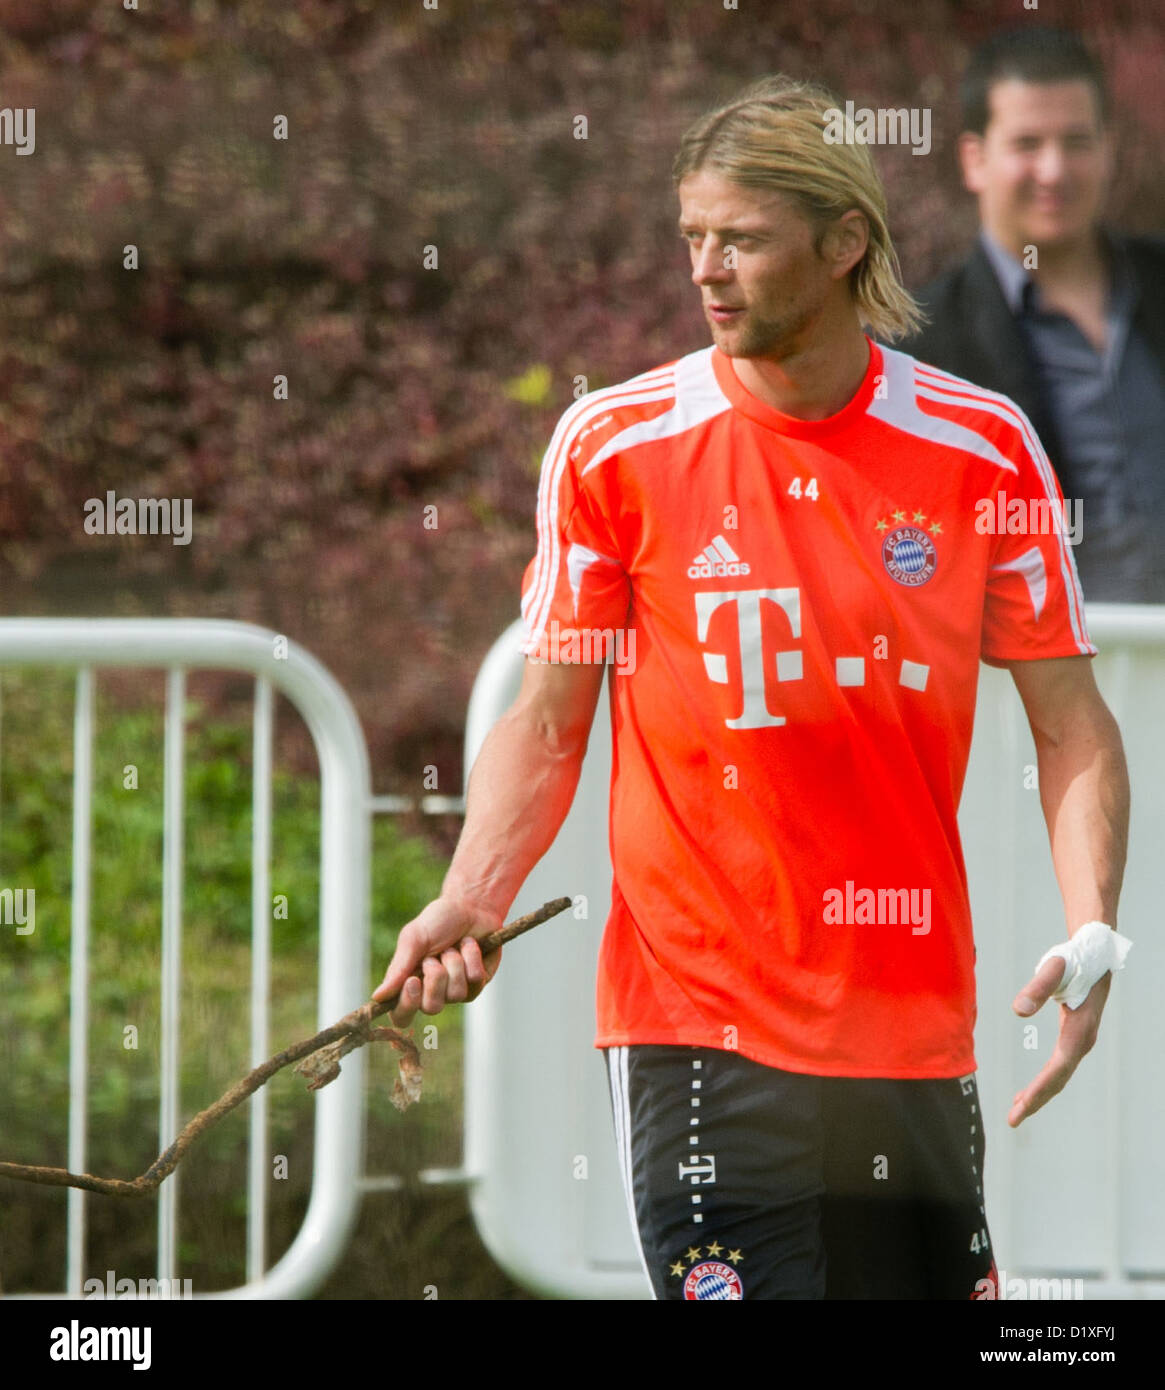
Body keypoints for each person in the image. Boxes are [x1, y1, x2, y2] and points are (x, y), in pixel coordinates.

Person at [374, 74, 1130, 1300]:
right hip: (698, 1023)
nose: (706, 271)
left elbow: (1071, 721)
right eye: (692, 240)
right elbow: (550, 722)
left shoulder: (981, 448)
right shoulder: (612, 445)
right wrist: (471, 891)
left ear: (844, 244)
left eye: (740, 239)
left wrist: (1093, 920)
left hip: (908, 1021)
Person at [900, 26, 1165, 602]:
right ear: (975, 160)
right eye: (1027, 144)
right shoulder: (917, 346)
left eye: (1076, 141)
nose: (1054, 171)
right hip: (1033, 676)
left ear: (1108, 150)